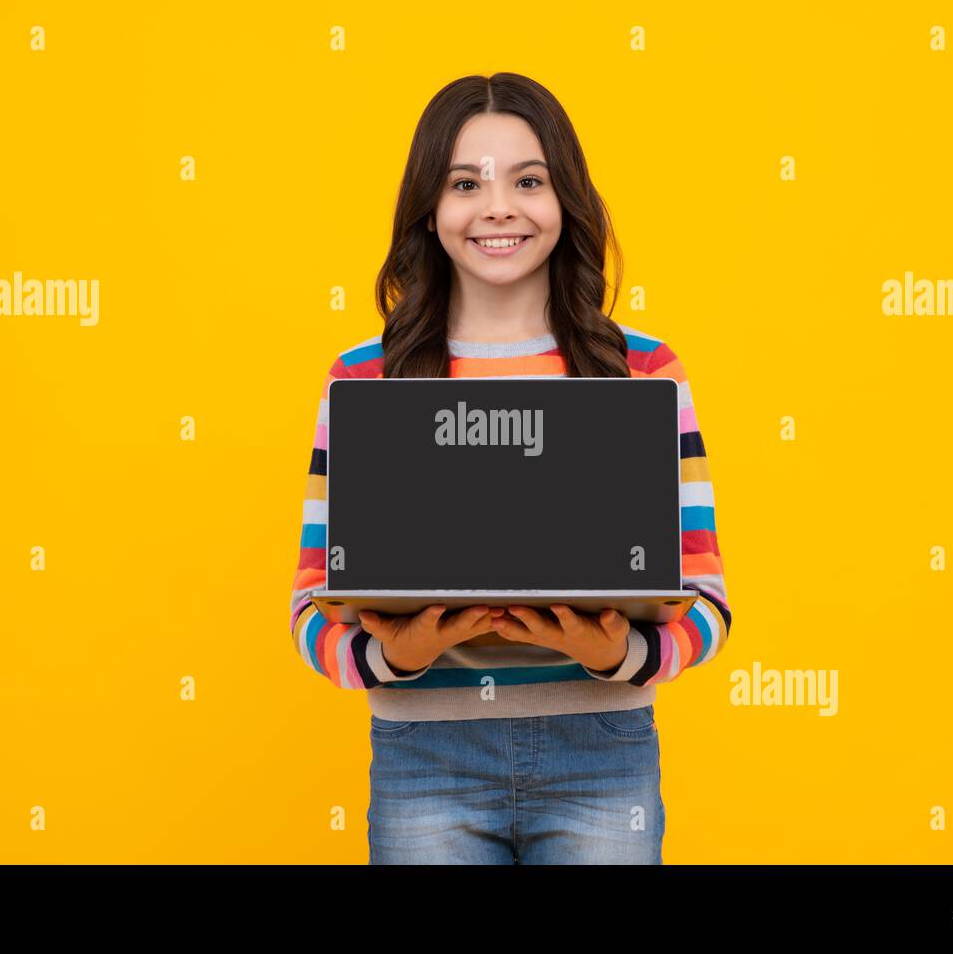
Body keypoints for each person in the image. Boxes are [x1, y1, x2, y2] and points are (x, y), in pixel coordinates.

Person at [288, 72, 732, 864]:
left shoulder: (642, 371)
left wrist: (620, 659)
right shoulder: (362, 382)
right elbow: (309, 611)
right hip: (423, 760)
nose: (498, 206)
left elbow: (706, 603)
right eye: (466, 183)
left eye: (528, 180)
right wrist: (395, 657)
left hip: (603, 751)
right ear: (430, 207)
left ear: (567, 201)